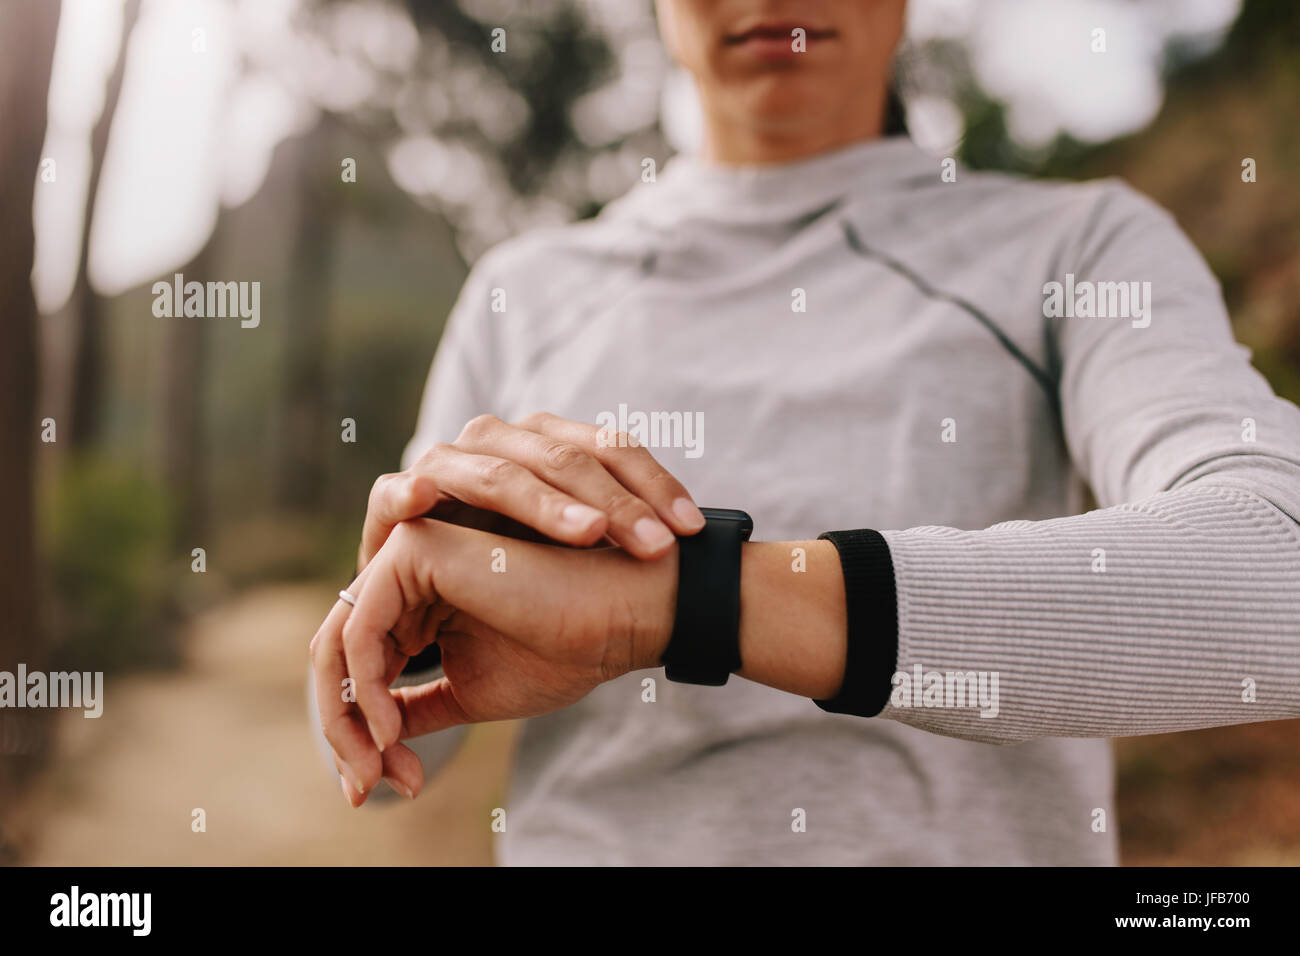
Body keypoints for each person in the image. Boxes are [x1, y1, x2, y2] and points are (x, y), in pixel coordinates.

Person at [309, 0, 1300, 865]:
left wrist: (685, 601)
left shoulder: (1076, 245)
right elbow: (394, 747)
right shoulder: (523, 293)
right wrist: (391, 637)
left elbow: (1278, 564)